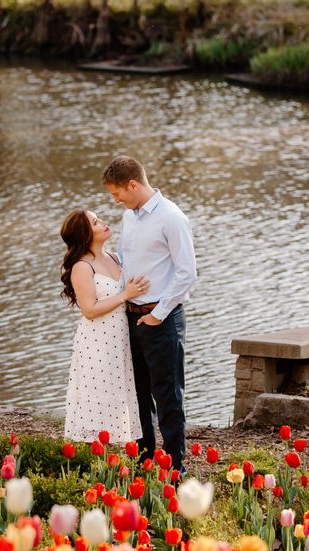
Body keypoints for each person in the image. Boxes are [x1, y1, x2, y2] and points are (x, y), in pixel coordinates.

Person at [101, 156, 197, 473]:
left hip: (162, 320)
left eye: (118, 193)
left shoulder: (171, 218)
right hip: (131, 317)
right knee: (139, 394)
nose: (116, 200)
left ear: (133, 184)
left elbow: (187, 274)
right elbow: (128, 261)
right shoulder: (130, 217)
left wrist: (158, 314)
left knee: (167, 396)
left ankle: (175, 469)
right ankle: (145, 463)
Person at [60, 209, 150, 443]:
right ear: (85, 234)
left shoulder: (113, 257)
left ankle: (121, 449)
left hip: (121, 335)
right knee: (100, 393)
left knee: (120, 391)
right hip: (98, 340)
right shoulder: (82, 266)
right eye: (95, 222)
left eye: (99, 218)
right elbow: (89, 310)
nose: (104, 223)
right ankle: (98, 451)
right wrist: (125, 295)